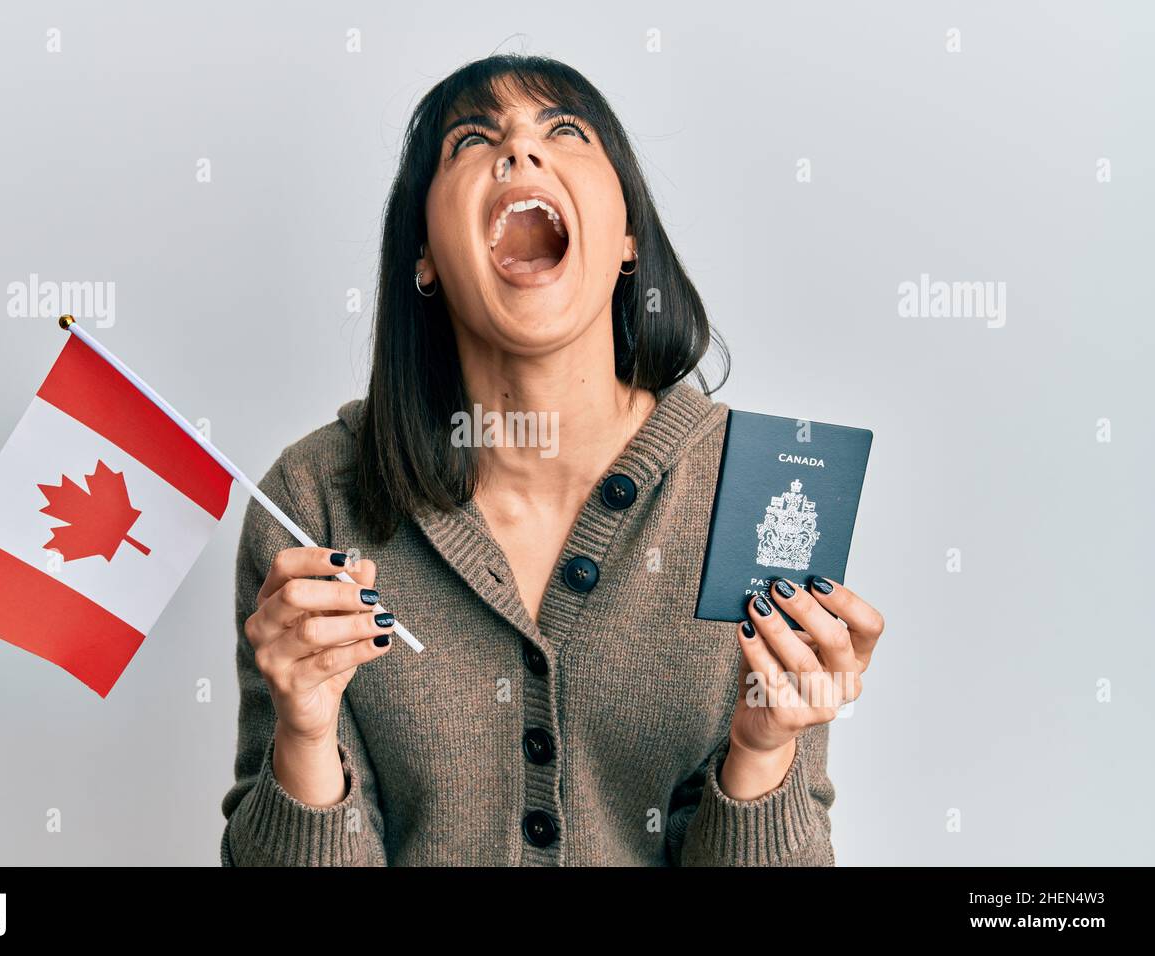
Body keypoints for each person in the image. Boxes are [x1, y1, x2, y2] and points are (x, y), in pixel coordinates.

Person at [221, 53, 885, 866]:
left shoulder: (758, 488)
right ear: (423, 255)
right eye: (472, 139)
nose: (520, 152)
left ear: (630, 236)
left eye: (564, 130)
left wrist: (764, 752)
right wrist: (305, 736)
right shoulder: (314, 502)